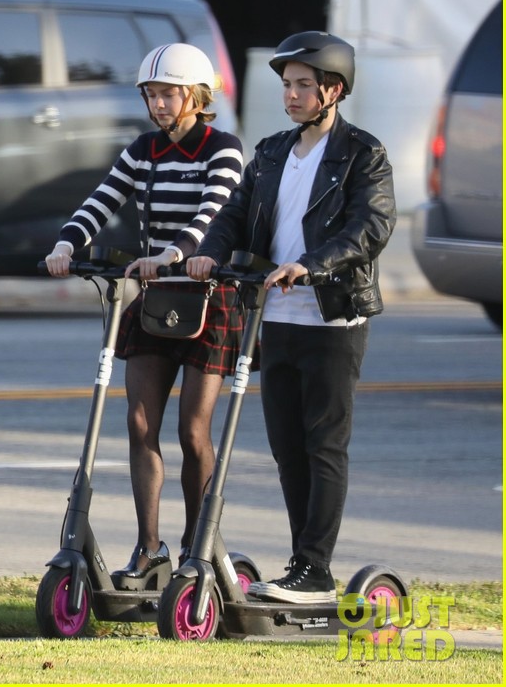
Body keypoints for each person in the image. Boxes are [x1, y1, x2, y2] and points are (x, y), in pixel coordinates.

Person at [187, 31, 395, 604]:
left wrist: (310, 265)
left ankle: (316, 568)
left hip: (332, 319)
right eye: (287, 85)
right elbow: (233, 214)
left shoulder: (363, 154)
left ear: (334, 90)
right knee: (285, 446)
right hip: (274, 316)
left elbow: (370, 229)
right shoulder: (274, 150)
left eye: (304, 85)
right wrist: (209, 249)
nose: (292, 94)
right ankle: (303, 565)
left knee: (322, 444)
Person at [44, 43, 244, 580]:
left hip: (205, 294)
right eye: (151, 94)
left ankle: (197, 550)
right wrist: (68, 244)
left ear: (196, 97)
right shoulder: (144, 149)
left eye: (168, 94)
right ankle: (149, 548)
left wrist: (175, 254)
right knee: (138, 422)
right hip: (154, 295)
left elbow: (214, 211)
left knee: (192, 433)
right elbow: (103, 198)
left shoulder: (223, 148)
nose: (158, 104)